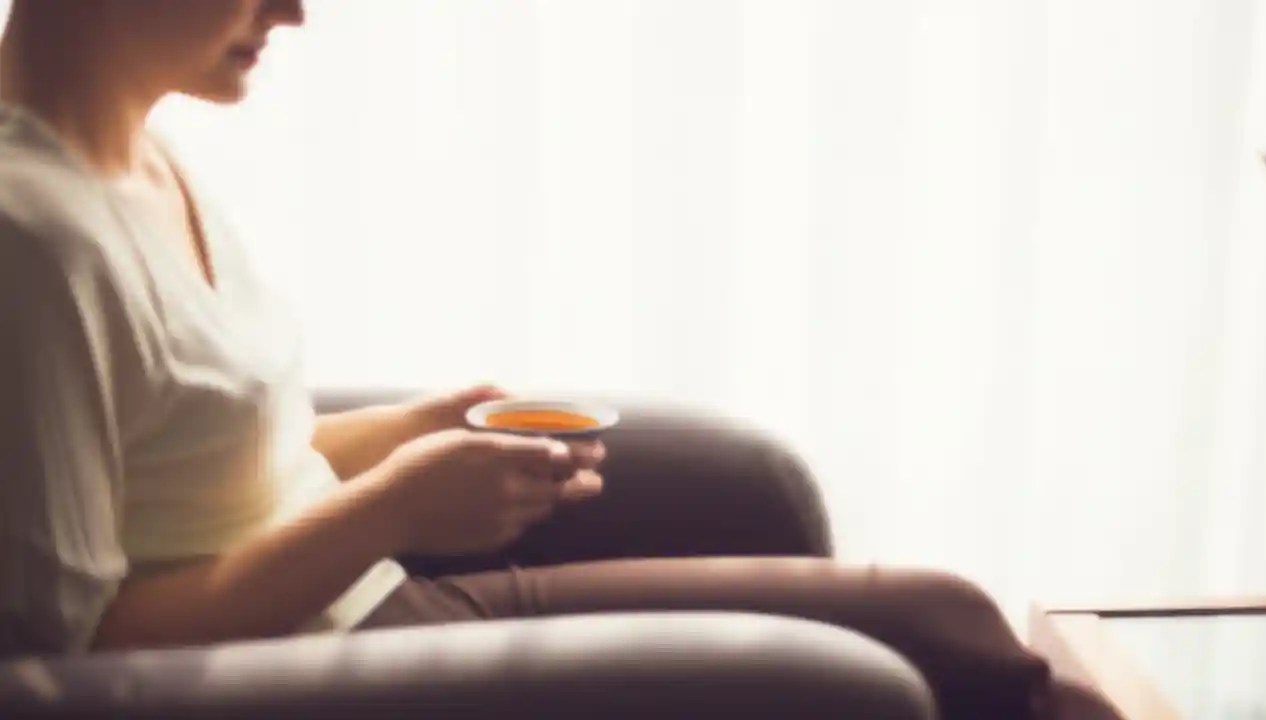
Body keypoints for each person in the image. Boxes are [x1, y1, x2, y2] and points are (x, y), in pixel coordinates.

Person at [0, 2, 1100, 718]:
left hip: (368, 604)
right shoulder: (29, 235)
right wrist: (388, 509)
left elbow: (183, 468)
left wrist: (406, 434)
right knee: (939, 654)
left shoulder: (139, 157)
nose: (294, 10)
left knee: (942, 619)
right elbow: (75, 657)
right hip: (307, 670)